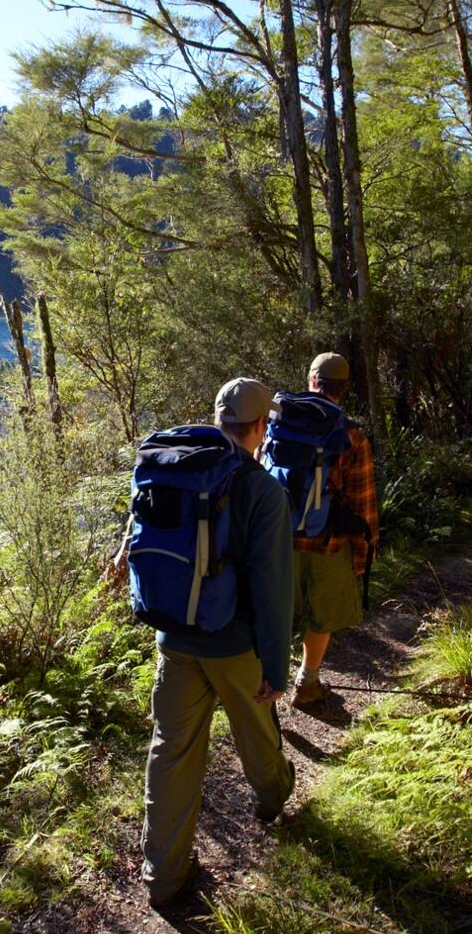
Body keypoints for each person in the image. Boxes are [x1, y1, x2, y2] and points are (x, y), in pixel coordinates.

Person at [140, 378, 296, 908]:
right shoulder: (263, 490)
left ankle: (163, 877)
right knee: (256, 731)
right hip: (233, 646)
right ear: (259, 427)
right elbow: (274, 587)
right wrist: (276, 667)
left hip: (175, 638)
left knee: (171, 752)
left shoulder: (173, 468)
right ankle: (274, 799)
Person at [290, 352, 380, 707]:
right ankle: (306, 682)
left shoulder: (277, 425)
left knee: (276, 613)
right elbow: (363, 502)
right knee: (322, 616)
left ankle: (262, 688)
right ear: (344, 388)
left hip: (280, 542)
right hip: (329, 543)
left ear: (311, 381)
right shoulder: (352, 436)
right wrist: (363, 555)